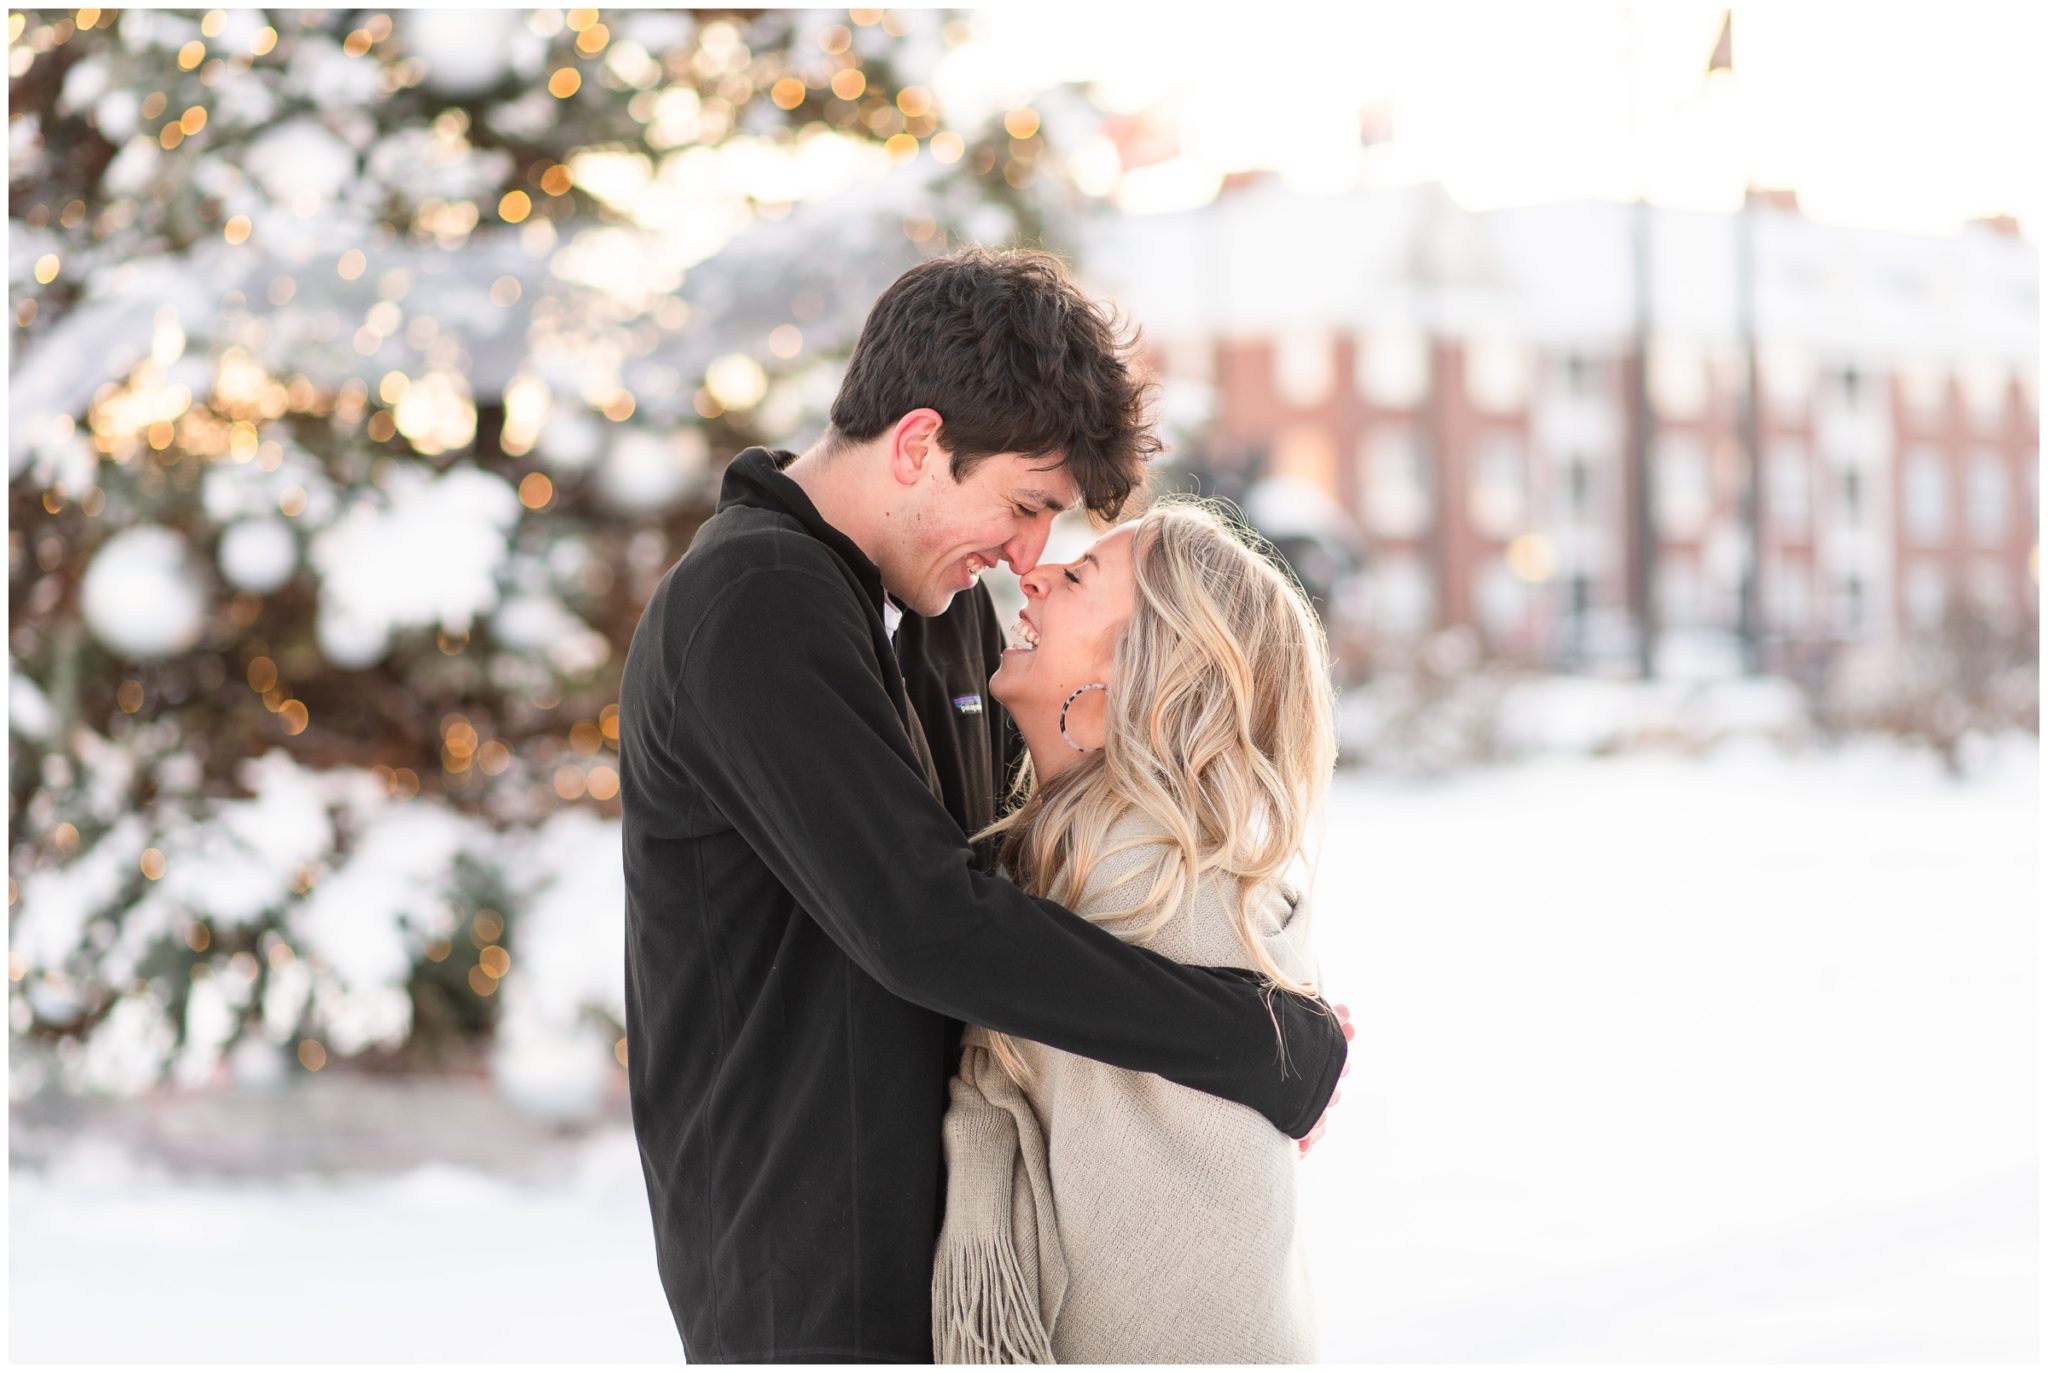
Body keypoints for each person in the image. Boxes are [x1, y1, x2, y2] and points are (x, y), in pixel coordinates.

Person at [616, 246, 1349, 1363]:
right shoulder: (752, 603)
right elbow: (928, 922)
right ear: (918, 444)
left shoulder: (938, 607)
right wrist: (1246, 1040)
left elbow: (1020, 871)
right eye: (1022, 504)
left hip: (963, 1264)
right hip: (812, 1272)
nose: (1026, 553)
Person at [933, 499, 1340, 1363]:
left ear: (1141, 664)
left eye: (1078, 575)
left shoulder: (1146, 881)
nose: (1032, 574)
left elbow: (1177, 1239)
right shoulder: (1082, 855)